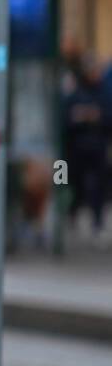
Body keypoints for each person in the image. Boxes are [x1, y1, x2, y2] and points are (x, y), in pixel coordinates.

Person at [63, 54, 111, 242]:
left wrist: (96, 116)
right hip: (77, 148)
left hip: (98, 146)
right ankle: (71, 216)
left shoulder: (104, 92)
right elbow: (66, 118)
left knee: (99, 185)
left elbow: (108, 117)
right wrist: (80, 117)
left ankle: (97, 222)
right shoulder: (76, 92)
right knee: (75, 184)